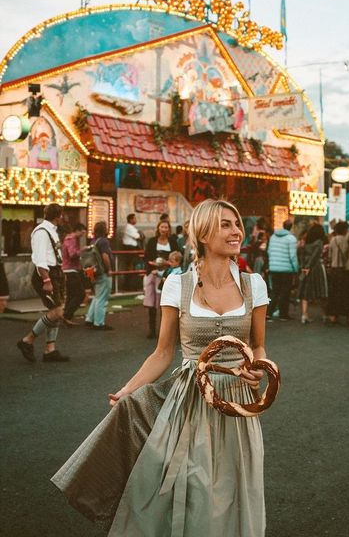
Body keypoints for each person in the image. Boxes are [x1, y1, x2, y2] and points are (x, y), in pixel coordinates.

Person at [51, 199, 270, 536]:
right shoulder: (176, 285)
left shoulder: (253, 285)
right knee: (192, 486)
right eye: (225, 224)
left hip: (236, 400)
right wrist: (128, 390)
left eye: (236, 223)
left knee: (231, 488)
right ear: (203, 232)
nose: (236, 231)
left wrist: (257, 367)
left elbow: (257, 345)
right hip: (189, 400)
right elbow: (162, 353)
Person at [16, 203, 70, 363]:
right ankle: (27, 340)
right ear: (57, 216)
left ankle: (50, 350)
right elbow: (40, 258)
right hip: (47, 274)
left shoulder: (51, 231)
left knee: (56, 311)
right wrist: (46, 280)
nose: (63, 218)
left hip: (55, 272)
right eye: (61, 215)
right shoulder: (41, 232)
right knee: (57, 312)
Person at [143, 220, 179, 339]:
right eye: (162, 227)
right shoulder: (152, 241)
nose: (164, 229)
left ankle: (167, 331)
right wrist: (153, 266)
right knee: (152, 304)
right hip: (154, 273)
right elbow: (146, 257)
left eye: (166, 227)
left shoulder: (173, 242)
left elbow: (178, 257)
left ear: (169, 229)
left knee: (167, 304)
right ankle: (152, 330)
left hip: (167, 275)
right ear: (158, 228)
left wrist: (167, 263)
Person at [267, 219, 298, 321]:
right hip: (286, 269)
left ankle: (269, 313)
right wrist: (296, 268)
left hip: (274, 268)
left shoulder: (273, 237)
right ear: (291, 227)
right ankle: (283, 314)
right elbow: (292, 256)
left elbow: (269, 251)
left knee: (274, 291)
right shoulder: (291, 239)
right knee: (285, 292)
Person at [85, 221, 114, 331]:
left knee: (97, 296)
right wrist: (109, 269)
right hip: (103, 272)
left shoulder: (93, 241)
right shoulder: (104, 242)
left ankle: (89, 318)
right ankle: (99, 322)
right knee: (102, 298)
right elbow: (105, 256)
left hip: (95, 271)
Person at [327, 221, 349, 324]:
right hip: (345, 270)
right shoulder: (347, 240)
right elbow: (348, 253)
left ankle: (333, 316)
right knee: (347, 293)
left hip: (335, 269)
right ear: (345, 230)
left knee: (334, 293)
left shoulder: (333, 240)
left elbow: (330, 256)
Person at [298, 224, 328, 324]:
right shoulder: (319, 242)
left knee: (305, 292)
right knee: (321, 291)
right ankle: (325, 314)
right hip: (316, 268)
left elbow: (301, 254)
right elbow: (315, 256)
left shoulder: (306, 242)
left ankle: (304, 315)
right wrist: (309, 266)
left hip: (305, 268)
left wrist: (304, 267)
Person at [62, 223, 87, 326]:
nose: (82, 235)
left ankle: (66, 317)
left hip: (69, 270)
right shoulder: (71, 239)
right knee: (80, 294)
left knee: (71, 295)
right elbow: (72, 254)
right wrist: (82, 250)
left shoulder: (69, 239)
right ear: (78, 230)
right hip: (70, 270)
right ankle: (67, 315)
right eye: (82, 232)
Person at [122, 213, 144, 290]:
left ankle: (132, 286)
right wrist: (140, 234)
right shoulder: (129, 227)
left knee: (134, 267)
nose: (136, 220)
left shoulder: (132, 228)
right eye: (134, 218)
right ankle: (128, 286)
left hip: (134, 248)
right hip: (129, 248)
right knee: (130, 267)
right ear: (131, 219)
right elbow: (138, 237)